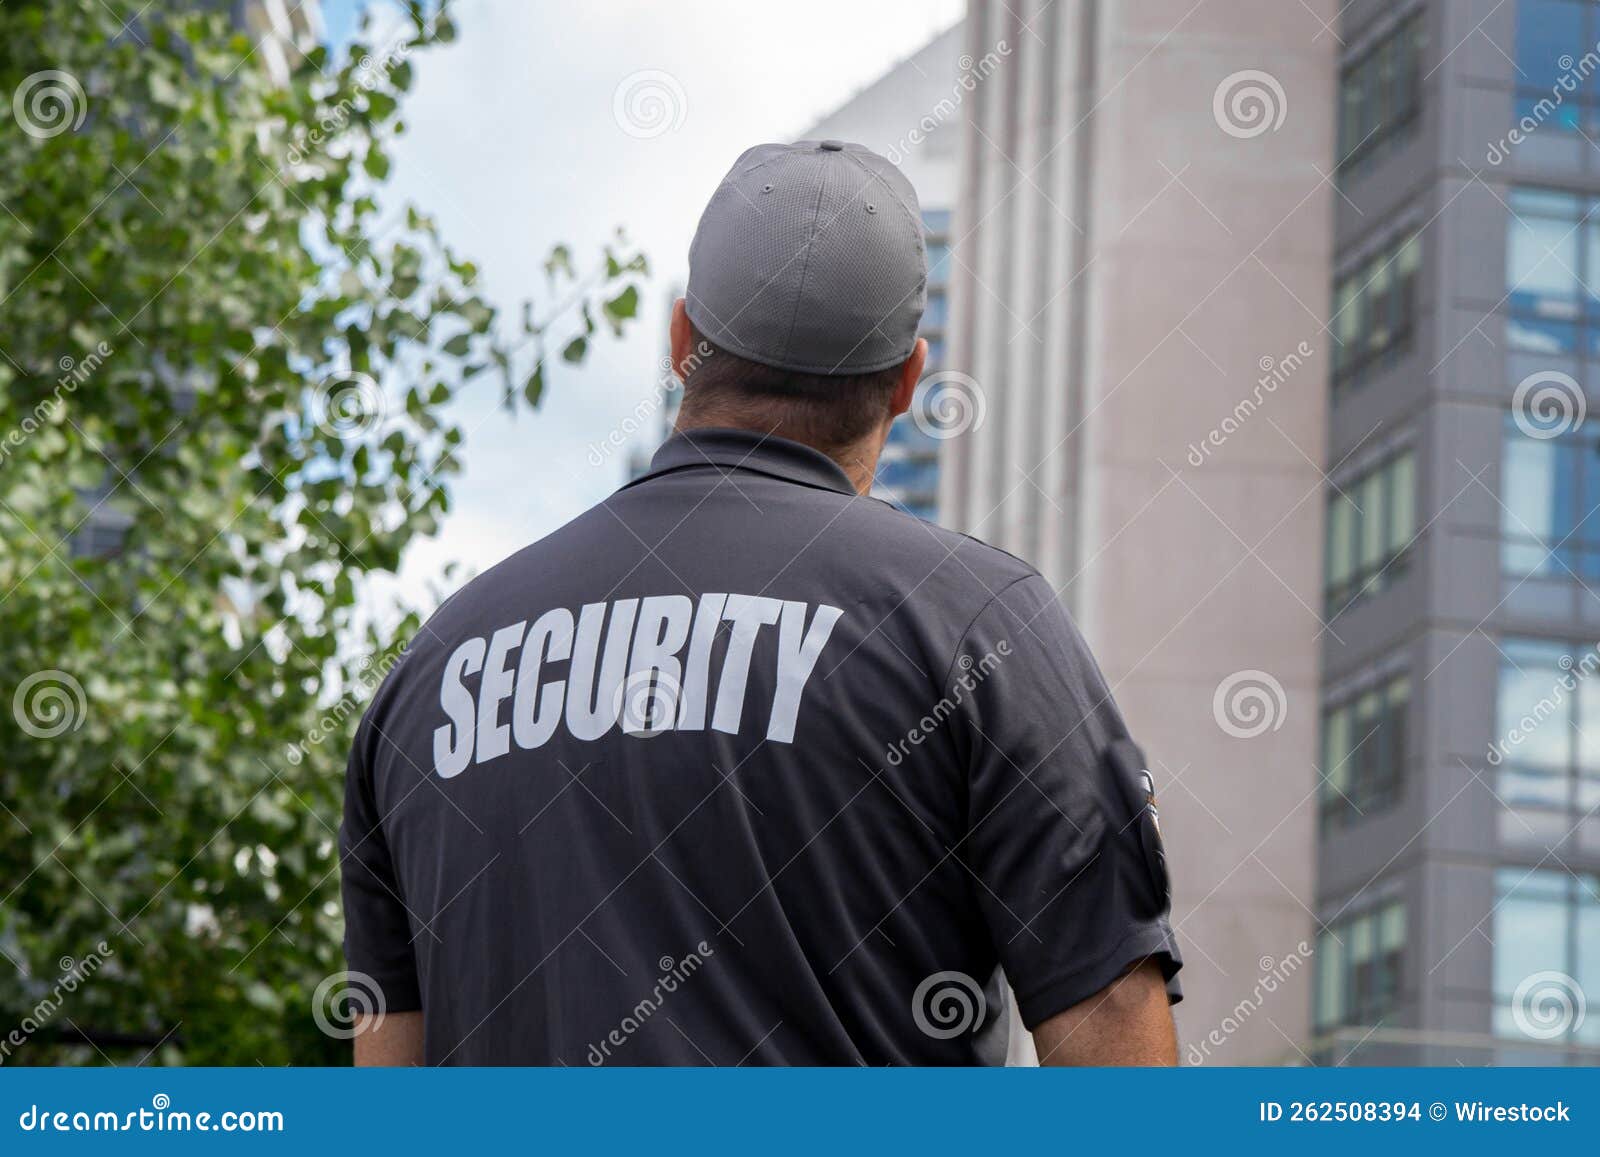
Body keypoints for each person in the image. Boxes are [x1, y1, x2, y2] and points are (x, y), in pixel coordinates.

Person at [340, 139, 1181, 1066]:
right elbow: (1116, 1057)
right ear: (908, 380)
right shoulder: (982, 630)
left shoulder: (433, 668)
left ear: (679, 341)